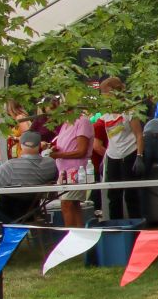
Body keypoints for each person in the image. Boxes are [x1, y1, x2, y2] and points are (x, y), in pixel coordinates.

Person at [95, 75, 143, 222]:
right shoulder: (106, 113)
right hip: (113, 155)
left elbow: (139, 135)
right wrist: (105, 157)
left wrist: (139, 156)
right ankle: (115, 225)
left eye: (105, 92)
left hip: (129, 153)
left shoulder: (130, 110)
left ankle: (135, 225)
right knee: (113, 195)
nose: (103, 96)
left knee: (131, 194)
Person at [49, 99, 95, 229]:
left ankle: (70, 235)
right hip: (63, 171)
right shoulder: (65, 124)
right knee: (73, 204)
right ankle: (79, 233)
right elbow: (67, 146)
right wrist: (55, 150)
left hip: (76, 170)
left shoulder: (82, 121)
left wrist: (58, 155)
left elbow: (81, 150)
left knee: (67, 204)